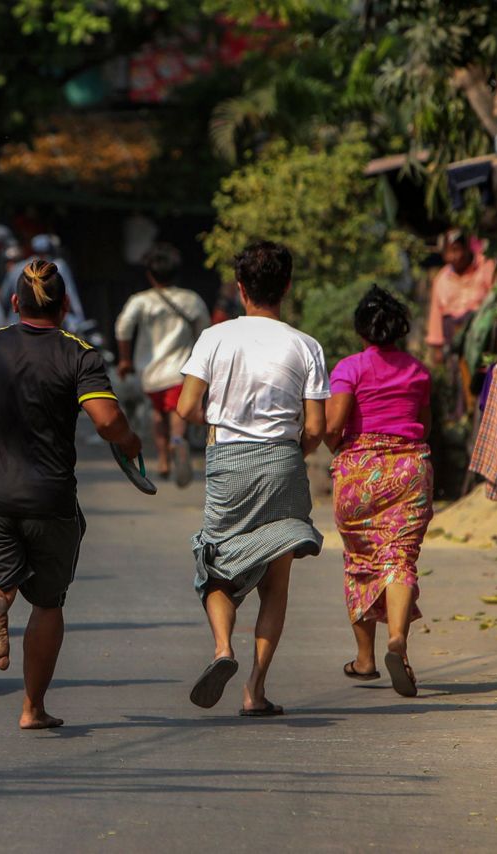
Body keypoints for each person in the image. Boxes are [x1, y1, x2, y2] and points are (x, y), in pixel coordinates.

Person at [0, 260, 142, 729]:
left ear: (14, 304)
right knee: (48, 602)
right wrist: (129, 442)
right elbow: (107, 421)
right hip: (50, 500)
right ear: (65, 306)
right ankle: (33, 709)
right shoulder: (78, 353)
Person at [177, 241, 328, 717]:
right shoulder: (306, 345)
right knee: (275, 583)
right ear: (286, 287)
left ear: (240, 289)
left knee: (218, 563)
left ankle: (223, 648)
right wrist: (289, 452)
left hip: (228, 461)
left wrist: (226, 430)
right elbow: (318, 428)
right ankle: (254, 690)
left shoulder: (215, 338)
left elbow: (184, 408)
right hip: (284, 460)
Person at [325, 287, 432, 698]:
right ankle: (398, 641)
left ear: (361, 329)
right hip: (410, 468)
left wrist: (344, 455)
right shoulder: (418, 372)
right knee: (400, 556)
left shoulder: (350, 367)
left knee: (361, 561)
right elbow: (425, 425)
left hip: (360, 470)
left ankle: (365, 659)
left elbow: (334, 425)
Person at [115, 243, 210, 487]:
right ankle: (177, 440)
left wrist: (125, 359)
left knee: (157, 412)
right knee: (176, 410)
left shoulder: (140, 301)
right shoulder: (191, 300)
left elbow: (122, 327)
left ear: (149, 274)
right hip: (181, 369)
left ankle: (164, 459)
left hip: (149, 371)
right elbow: (205, 332)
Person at [425, 229, 497, 361]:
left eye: (457, 249)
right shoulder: (441, 279)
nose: (455, 256)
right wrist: (437, 348)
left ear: (467, 248)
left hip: (481, 336)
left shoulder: (486, 266)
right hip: (452, 340)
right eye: (450, 251)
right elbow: (436, 314)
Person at [1, 234, 86, 326]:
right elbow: (73, 298)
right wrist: (81, 322)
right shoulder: (59, 267)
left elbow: (4, 299)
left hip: (17, 327)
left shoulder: (16, 269)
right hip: (48, 329)